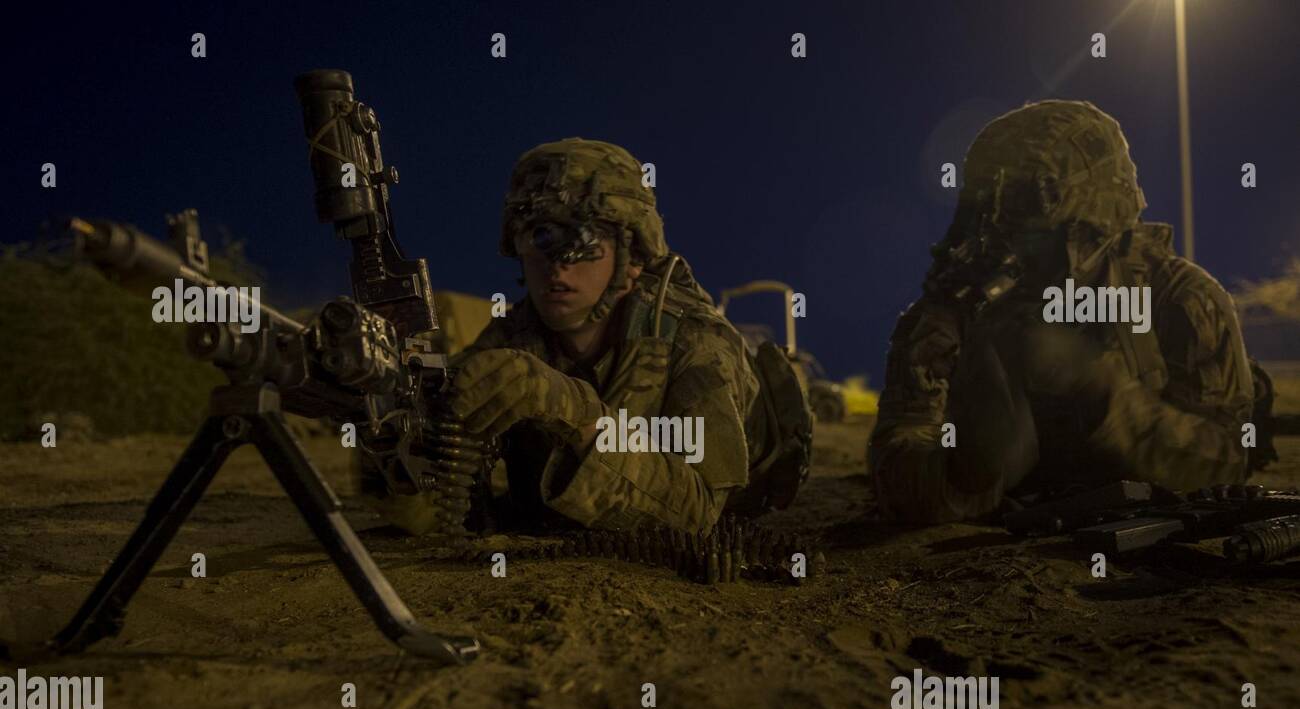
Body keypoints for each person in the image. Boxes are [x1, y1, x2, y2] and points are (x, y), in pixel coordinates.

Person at [380, 137, 810, 535]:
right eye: (538, 238)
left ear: (633, 257)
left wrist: (572, 411)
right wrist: (381, 401)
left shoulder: (694, 343)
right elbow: (441, 426)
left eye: (583, 242)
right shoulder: (515, 334)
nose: (557, 266)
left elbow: (697, 512)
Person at [868, 99, 1269, 523]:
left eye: (1036, 236)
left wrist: (1101, 394)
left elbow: (1228, 461)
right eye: (1003, 229)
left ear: (1092, 231)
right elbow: (894, 466)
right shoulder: (957, 312)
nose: (1013, 251)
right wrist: (966, 470)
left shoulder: (1181, 300)